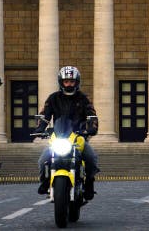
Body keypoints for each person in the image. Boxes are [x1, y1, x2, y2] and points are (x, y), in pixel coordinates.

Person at [35, 66, 99, 199]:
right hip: (59, 136)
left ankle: (89, 184)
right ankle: (45, 182)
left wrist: (91, 128)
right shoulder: (53, 98)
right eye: (66, 81)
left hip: (78, 136)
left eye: (72, 81)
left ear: (77, 82)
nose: (69, 84)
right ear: (61, 82)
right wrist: (40, 128)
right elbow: (45, 115)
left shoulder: (83, 98)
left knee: (91, 159)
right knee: (43, 160)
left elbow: (92, 115)